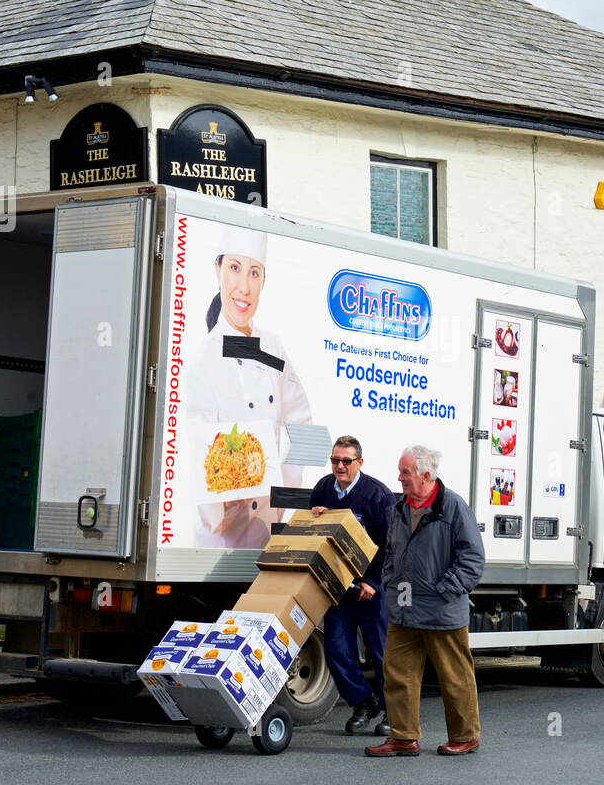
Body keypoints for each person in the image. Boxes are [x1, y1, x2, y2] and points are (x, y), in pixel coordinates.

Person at [185, 225, 311, 549]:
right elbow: (199, 458)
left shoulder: (272, 348)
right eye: (235, 268)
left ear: (264, 279)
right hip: (221, 544)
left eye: (254, 273)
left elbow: (305, 425)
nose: (244, 287)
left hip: (268, 536)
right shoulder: (201, 363)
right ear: (218, 270)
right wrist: (227, 503)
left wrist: (285, 500)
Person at [365, 444, 485, 757]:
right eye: (401, 471)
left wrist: (447, 589)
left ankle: (465, 736)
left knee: (454, 676)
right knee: (397, 674)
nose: (400, 477)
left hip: (442, 609)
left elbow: (473, 557)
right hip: (403, 607)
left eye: (405, 472)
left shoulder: (454, 507)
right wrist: (390, 581)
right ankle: (404, 737)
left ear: (426, 475)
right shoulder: (399, 508)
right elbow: (390, 550)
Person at [309, 435, 396, 735]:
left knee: (382, 653)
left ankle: (391, 712)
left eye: (347, 460)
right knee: (335, 649)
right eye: (335, 460)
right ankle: (363, 702)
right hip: (338, 588)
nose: (340, 466)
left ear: (360, 461)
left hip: (371, 590)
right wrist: (316, 518)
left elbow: (389, 544)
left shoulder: (378, 495)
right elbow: (314, 536)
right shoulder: (322, 489)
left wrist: (373, 581)